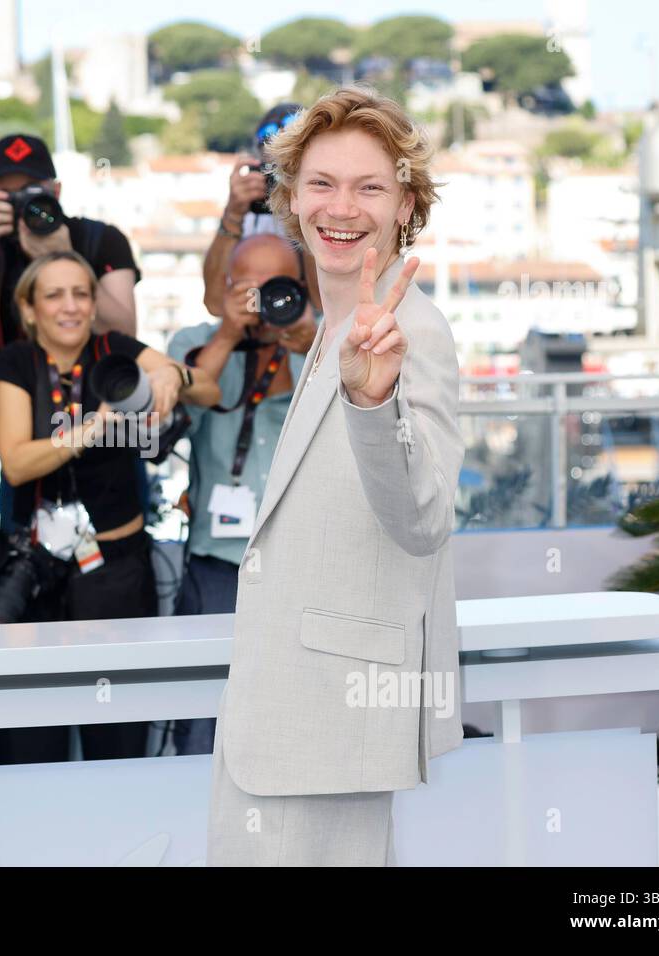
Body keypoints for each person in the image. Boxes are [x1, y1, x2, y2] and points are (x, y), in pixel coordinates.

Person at [206, 87, 466, 866]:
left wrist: (371, 397)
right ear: (289, 198)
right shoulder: (336, 322)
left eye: (369, 186)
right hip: (290, 717)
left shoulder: (410, 330)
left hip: (326, 718)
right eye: (320, 183)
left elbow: (423, 518)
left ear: (406, 204)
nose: (340, 207)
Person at [0, 251, 219, 763]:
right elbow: (17, 465)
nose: (69, 306)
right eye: (53, 295)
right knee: (32, 738)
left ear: (95, 303)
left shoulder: (114, 350)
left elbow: (210, 388)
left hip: (116, 570)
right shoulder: (17, 362)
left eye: (81, 293)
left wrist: (172, 378)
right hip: (39, 570)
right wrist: (90, 428)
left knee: (118, 733)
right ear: (29, 309)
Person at [166, 233, 317, 756]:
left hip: (303, 559)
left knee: (300, 708)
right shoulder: (196, 343)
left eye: (275, 287)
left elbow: (339, 416)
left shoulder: (326, 344)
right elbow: (168, 418)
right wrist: (229, 334)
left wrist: (302, 341)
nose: (263, 301)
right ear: (225, 288)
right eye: (247, 287)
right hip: (217, 561)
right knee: (204, 714)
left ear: (300, 288)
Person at [0, 133, 140, 371]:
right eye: (9, 195)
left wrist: (66, 257)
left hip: (95, 391)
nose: (22, 203)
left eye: (31, 192)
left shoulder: (102, 240)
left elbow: (123, 333)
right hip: (11, 391)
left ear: (56, 191)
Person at [202, 104, 321, 318]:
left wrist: (303, 211)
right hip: (253, 321)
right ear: (257, 155)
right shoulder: (245, 212)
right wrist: (233, 214)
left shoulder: (325, 204)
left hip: (307, 323)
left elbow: (321, 302)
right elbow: (215, 304)